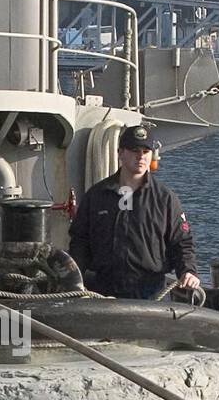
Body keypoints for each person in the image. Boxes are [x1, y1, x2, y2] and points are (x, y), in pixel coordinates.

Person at [69, 123, 201, 300]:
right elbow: (80, 241)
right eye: (134, 150)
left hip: (150, 292)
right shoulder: (97, 196)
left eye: (146, 152)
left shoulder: (165, 199)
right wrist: (73, 281)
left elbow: (181, 242)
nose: (140, 156)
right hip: (102, 290)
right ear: (121, 153)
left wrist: (188, 271)